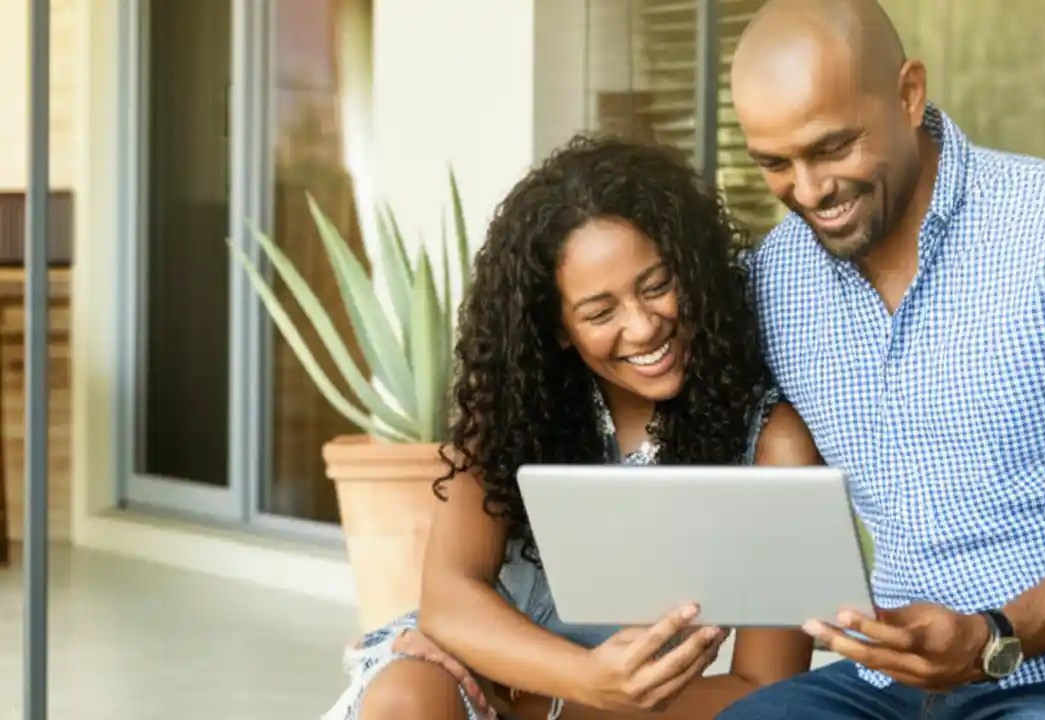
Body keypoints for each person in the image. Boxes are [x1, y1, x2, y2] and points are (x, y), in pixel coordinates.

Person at [717, 0, 1045, 718]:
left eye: (832, 148)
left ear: (909, 94)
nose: (810, 189)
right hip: (890, 685)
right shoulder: (775, 280)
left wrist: (991, 638)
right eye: (774, 163)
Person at [321, 135, 818, 720]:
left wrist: (555, 704)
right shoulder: (515, 407)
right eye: (600, 313)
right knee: (408, 698)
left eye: (657, 285)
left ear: (695, 270)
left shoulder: (772, 444)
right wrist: (580, 678)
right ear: (558, 328)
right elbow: (449, 602)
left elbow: (763, 691)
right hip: (468, 683)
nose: (642, 328)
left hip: (622, 715)